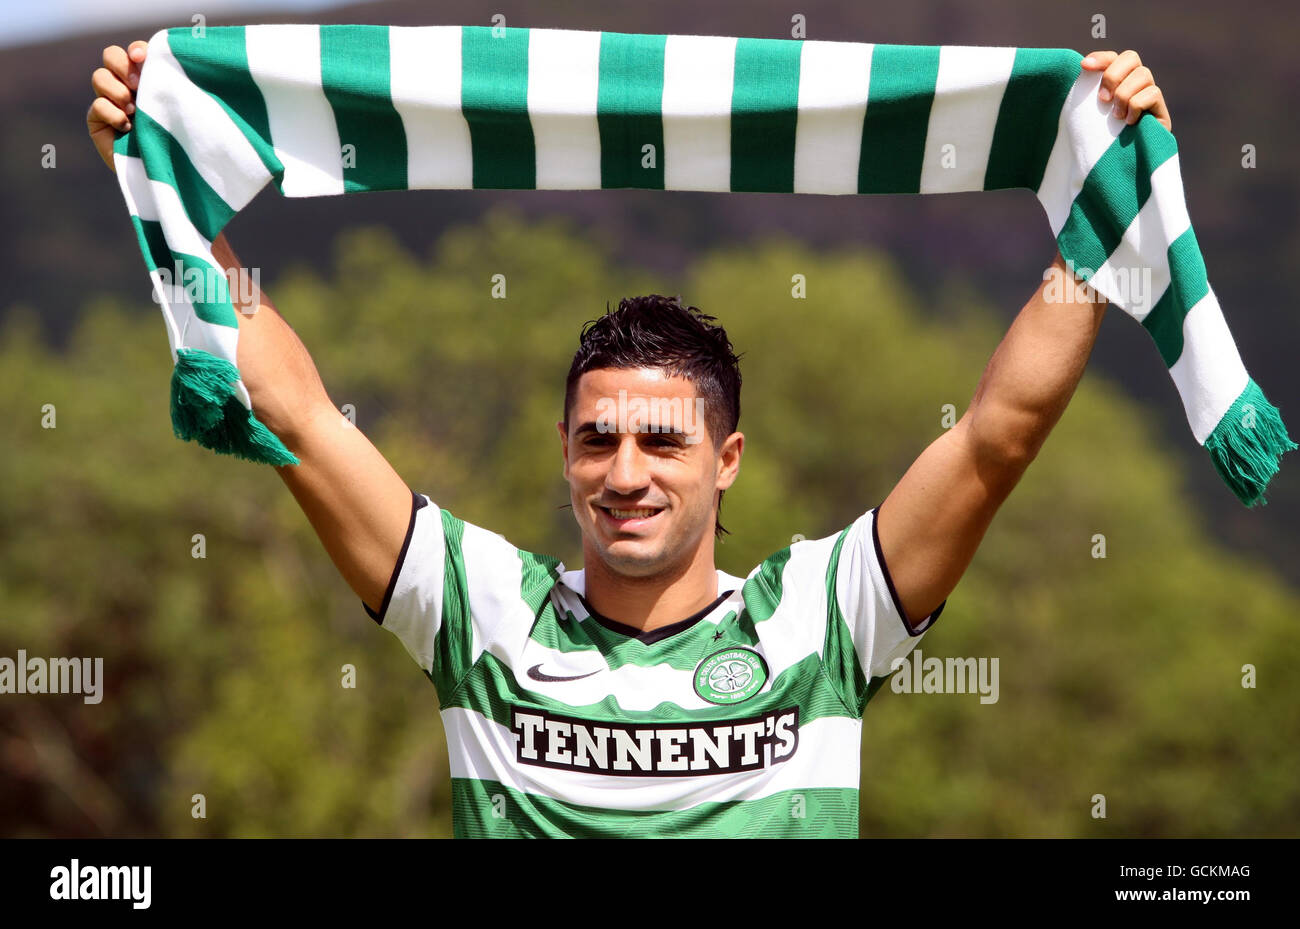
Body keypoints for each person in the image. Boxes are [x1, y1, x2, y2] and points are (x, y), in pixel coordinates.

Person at [88, 40, 1171, 837]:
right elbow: (297, 412)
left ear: (726, 459)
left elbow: (997, 436)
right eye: (598, 440)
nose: (626, 471)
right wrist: (164, 181)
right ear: (564, 449)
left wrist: (1101, 195)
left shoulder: (822, 613)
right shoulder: (480, 607)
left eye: (662, 441)